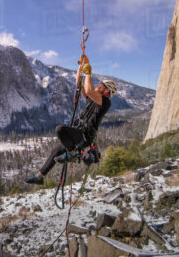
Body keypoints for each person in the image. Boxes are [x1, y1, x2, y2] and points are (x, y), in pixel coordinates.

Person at [26, 55, 117, 185]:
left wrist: (88, 73)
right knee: (56, 150)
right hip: (79, 132)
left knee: (60, 130)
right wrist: (81, 69)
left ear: (107, 91)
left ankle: (74, 154)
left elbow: (89, 90)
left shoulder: (105, 102)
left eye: (101, 85)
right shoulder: (93, 99)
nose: (98, 85)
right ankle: (40, 176)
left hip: (86, 135)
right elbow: (81, 87)